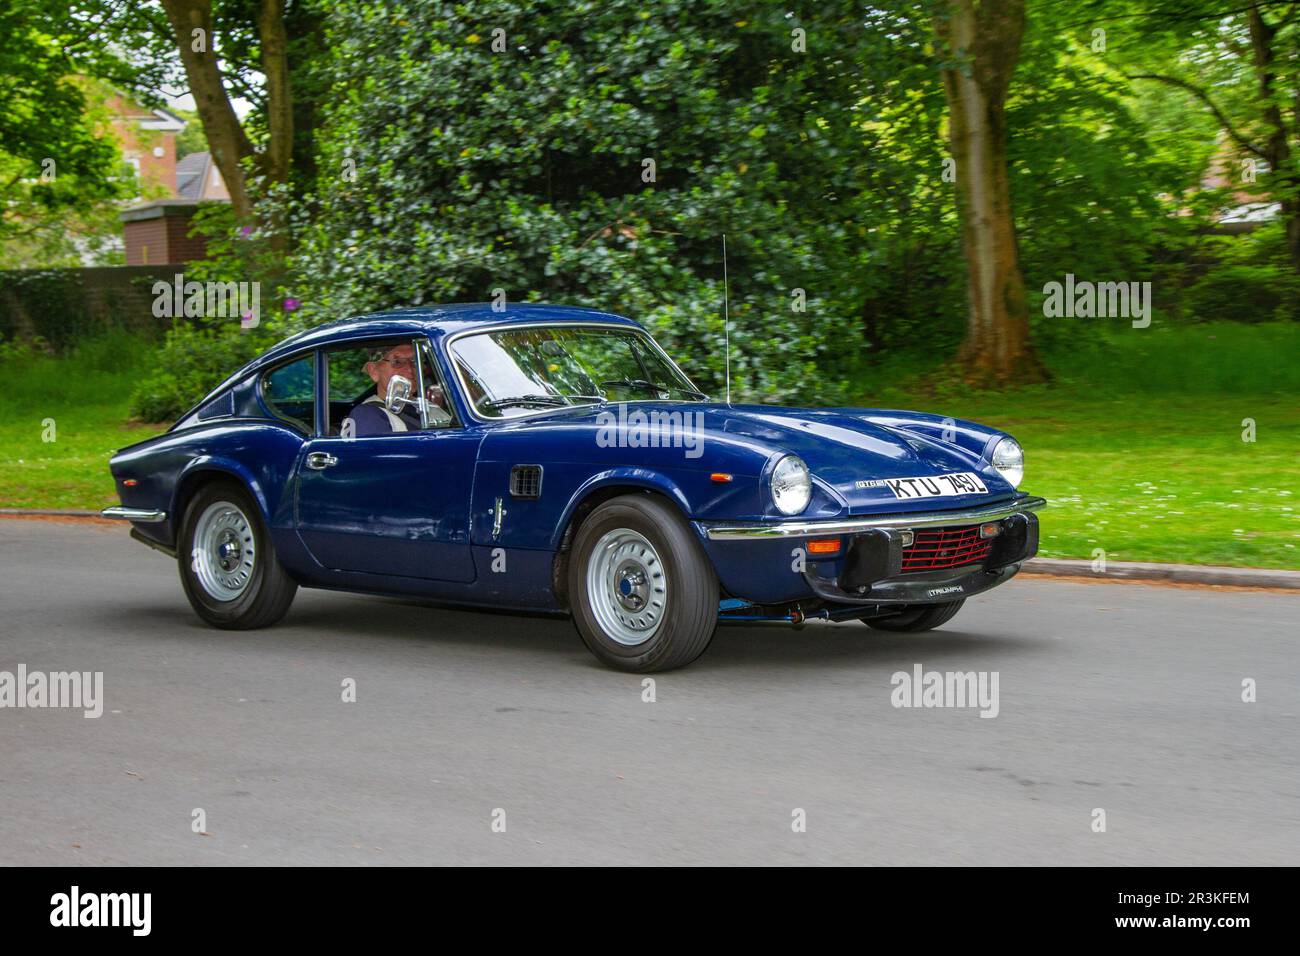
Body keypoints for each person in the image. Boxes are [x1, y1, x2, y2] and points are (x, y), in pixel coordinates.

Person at [342, 343, 451, 436]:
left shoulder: (428, 407)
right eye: (397, 362)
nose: (410, 370)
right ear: (374, 371)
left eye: (415, 361)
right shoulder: (367, 415)